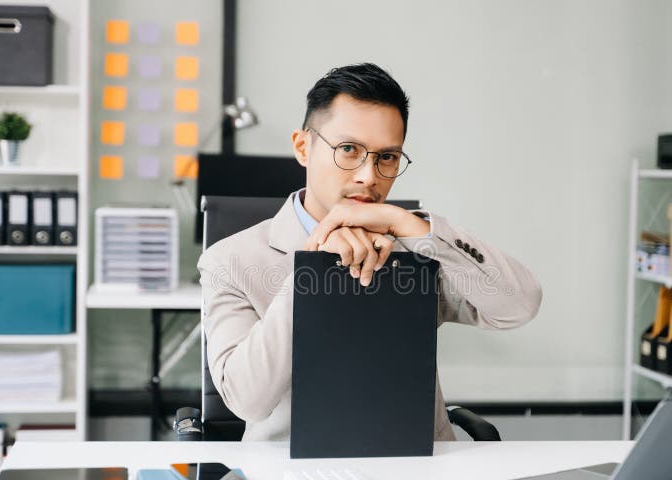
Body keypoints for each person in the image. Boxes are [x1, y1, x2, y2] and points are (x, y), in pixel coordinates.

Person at [198, 63, 542, 441]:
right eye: (348, 149)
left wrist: (410, 225)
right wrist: (312, 270)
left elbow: (518, 306)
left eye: (387, 157)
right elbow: (247, 401)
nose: (369, 176)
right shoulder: (230, 260)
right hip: (291, 475)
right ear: (302, 147)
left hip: (424, 470)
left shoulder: (418, 249)